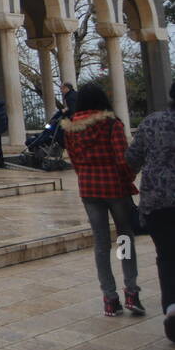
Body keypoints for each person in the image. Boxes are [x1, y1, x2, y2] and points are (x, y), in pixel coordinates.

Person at [61, 83, 142, 317]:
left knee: (101, 243)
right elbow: (122, 159)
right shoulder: (111, 124)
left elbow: (74, 160)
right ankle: (131, 291)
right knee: (125, 238)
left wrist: (86, 175)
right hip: (115, 187)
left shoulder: (71, 128)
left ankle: (109, 297)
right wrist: (128, 179)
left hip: (89, 188)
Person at [125, 80, 175, 342]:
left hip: (157, 202)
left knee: (167, 257)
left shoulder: (151, 122)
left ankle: (172, 308)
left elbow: (132, 158)